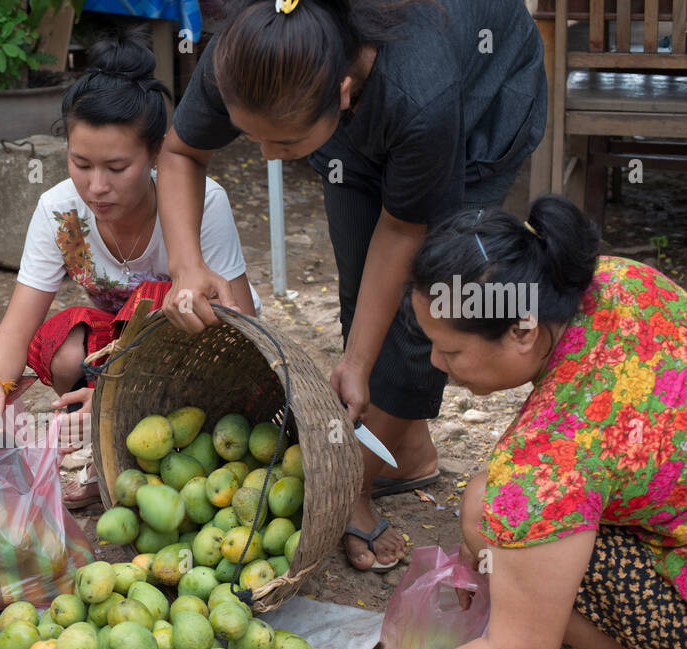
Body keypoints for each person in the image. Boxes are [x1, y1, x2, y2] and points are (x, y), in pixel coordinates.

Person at [268, 196, 687, 649]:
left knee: (494, 525)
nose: (439, 365)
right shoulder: (615, 280)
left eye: (451, 350)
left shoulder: (547, 464)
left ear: (521, 331)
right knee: (486, 509)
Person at [155, 0, 547, 571]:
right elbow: (181, 151)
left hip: (483, 90)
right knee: (358, 278)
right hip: (366, 109)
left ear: (342, 93)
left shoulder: (421, 92)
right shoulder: (250, 55)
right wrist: (187, 266)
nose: (267, 155)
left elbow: (403, 230)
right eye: (253, 138)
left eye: (285, 145)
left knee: (425, 303)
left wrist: (360, 362)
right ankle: (407, 452)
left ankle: (354, 489)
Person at [0, 30, 257, 506]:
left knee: (157, 300)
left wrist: (121, 398)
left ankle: (123, 431)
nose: (96, 186)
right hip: (121, 356)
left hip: (201, 359)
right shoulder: (60, 213)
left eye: (117, 168)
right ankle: (106, 441)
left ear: (157, 153)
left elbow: (243, 330)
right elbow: (16, 330)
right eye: (81, 164)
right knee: (63, 344)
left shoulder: (204, 202)